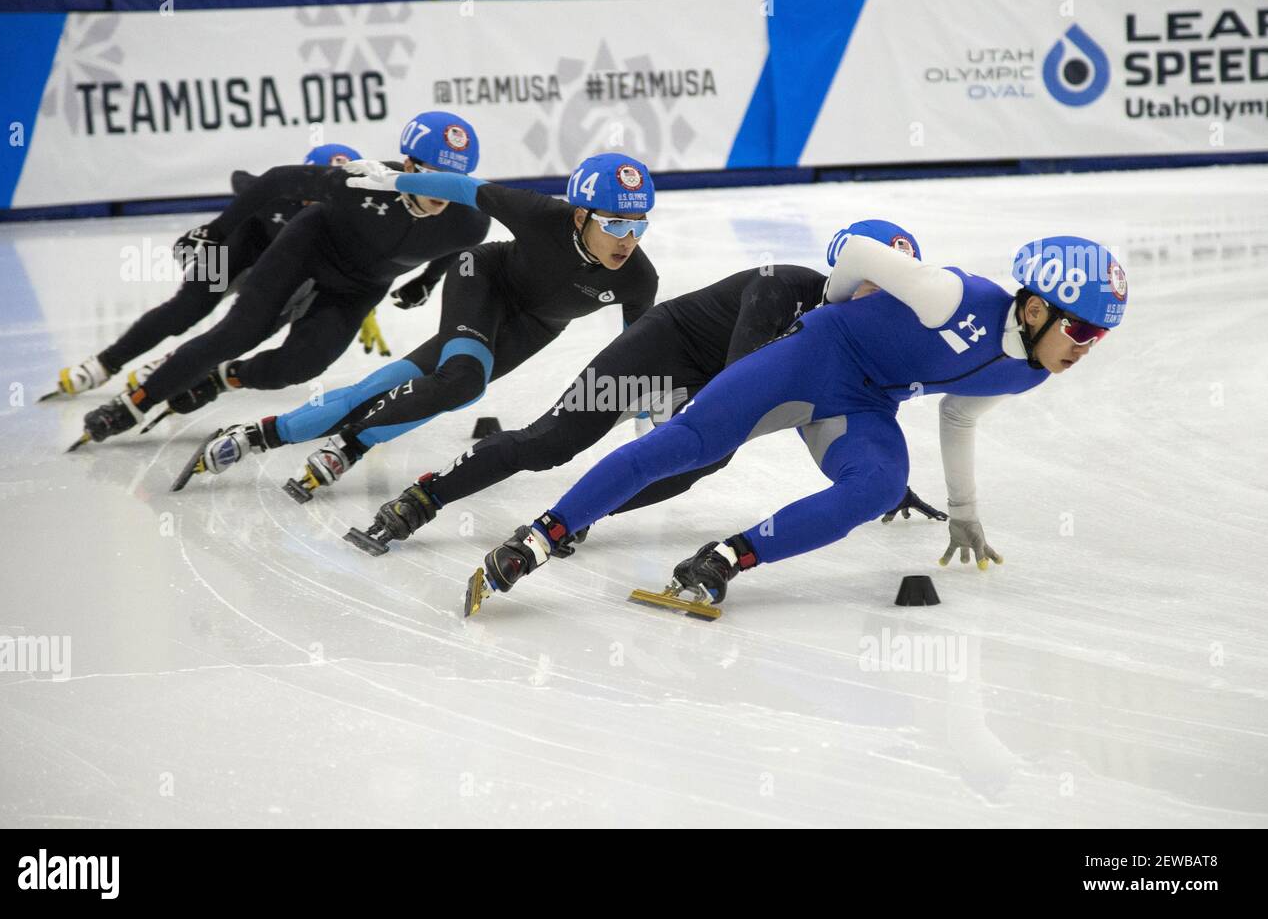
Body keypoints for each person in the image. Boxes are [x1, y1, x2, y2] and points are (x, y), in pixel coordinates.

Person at [463, 231, 1128, 616]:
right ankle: (540, 537)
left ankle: (723, 559)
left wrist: (964, 512)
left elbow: (958, 414)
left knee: (875, 487)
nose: (1085, 345)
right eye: (1081, 327)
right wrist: (829, 319)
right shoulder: (951, 297)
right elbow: (864, 252)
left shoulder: (1029, 371)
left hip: (863, 405)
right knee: (694, 444)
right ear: (1037, 307)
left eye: (1099, 337)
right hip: (812, 354)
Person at [343, 220, 943, 555]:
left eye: (896, 288)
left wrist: (879, 478)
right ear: (842, 274)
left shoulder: (861, 333)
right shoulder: (780, 285)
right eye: (873, 285)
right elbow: (745, 384)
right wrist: (679, 417)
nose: (883, 301)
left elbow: (844, 406)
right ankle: (425, 498)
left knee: (699, 462)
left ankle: (576, 517)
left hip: (713, 382)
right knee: (552, 440)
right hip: (663, 351)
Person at [176, 152, 660, 503]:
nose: (627, 240)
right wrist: (395, 184)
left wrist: (644, 408)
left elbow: (638, 349)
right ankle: (343, 441)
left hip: (533, 327)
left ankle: (272, 435)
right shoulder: (540, 215)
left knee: (411, 384)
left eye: (638, 226)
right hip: (482, 279)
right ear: (580, 215)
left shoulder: (640, 278)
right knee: (464, 382)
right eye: (616, 225)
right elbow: (468, 190)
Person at [76, 111, 490, 446]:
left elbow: (453, 249)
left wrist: (428, 281)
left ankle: (224, 378)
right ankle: (135, 400)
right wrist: (216, 232)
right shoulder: (365, 181)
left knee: (301, 366)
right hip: (306, 250)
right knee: (233, 335)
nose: (444, 191)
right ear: (408, 166)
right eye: (434, 176)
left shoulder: (469, 223)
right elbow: (274, 180)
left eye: (455, 181)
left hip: (359, 286)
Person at [48, 143, 363, 401]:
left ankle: (172, 364)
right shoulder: (277, 196)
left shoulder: (348, 221)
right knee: (185, 308)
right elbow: (242, 180)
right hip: (239, 250)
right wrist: (212, 236)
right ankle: (104, 363)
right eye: (318, 192)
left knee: (260, 322)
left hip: (284, 270)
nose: (325, 202)